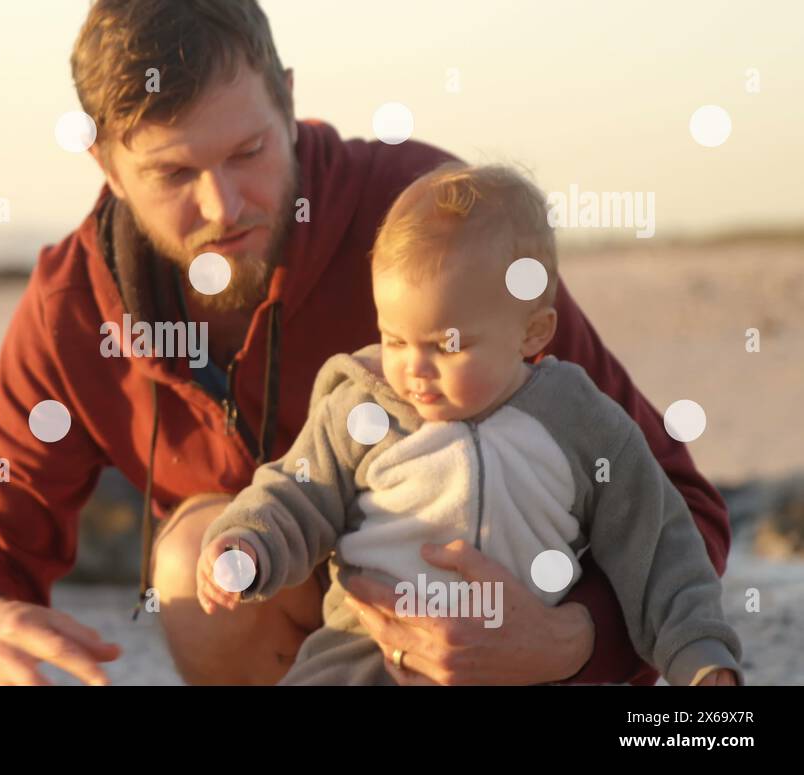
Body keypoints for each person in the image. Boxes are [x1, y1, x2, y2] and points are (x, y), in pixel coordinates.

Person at [0, 0, 732, 686]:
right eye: (172, 174)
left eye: (248, 151)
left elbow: (675, 501)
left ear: (289, 101)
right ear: (106, 164)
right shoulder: (72, 310)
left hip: (508, 607)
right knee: (195, 555)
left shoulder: (433, 226)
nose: (223, 204)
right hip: (314, 637)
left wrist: (569, 642)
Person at [197, 163, 742, 686]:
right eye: (395, 339)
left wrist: (699, 652)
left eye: (446, 346)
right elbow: (295, 492)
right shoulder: (364, 412)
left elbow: (656, 539)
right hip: (366, 652)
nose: (414, 367)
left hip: (521, 659)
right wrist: (249, 543)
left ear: (532, 333)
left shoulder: (577, 419)